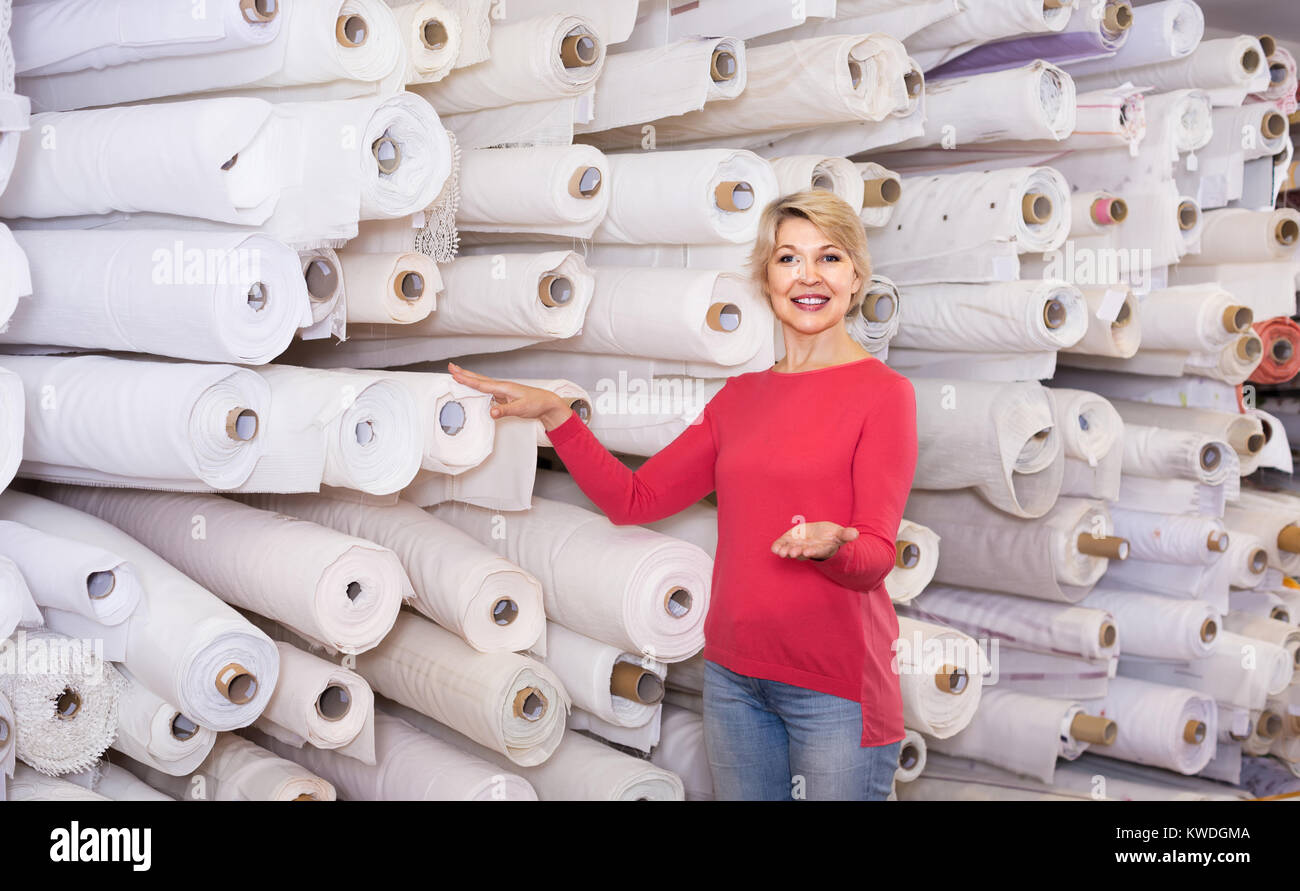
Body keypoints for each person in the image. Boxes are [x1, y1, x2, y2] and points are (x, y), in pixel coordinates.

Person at [447, 190, 918, 800]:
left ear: (856, 277)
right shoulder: (741, 398)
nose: (808, 277)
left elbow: (876, 556)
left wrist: (835, 546)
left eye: (828, 258)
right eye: (787, 259)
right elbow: (634, 500)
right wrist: (559, 418)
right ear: (766, 278)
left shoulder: (884, 395)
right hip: (734, 680)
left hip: (835, 687)